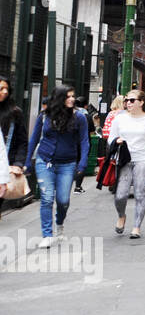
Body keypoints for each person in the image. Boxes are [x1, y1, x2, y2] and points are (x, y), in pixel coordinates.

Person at [26, 85, 90, 248]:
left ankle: (59, 223)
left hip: (67, 164)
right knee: (46, 199)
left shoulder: (79, 117)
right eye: (68, 96)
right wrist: (27, 160)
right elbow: (34, 139)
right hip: (44, 161)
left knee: (63, 200)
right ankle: (47, 234)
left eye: (72, 96)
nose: (72, 99)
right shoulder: (44, 116)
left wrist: (82, 162)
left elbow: (84, 141)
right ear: (59, 98)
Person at [107, 90, 145, 239]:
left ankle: (136, 227)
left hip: (144, 158)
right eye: (127, 100)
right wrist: (117, 141)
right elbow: (110, 139)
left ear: (141, 102)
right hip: (125, 159)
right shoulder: (119, 119)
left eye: (132, 100)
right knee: (120, 195)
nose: (128, 103)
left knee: (140, 194)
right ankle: (121, 215)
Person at [0, 74, 28, 194]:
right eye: (1, 88)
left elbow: (22, 141)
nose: (5, 92)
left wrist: (18, 163)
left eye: (7, 89)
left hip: (6, 166)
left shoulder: (15, 112)